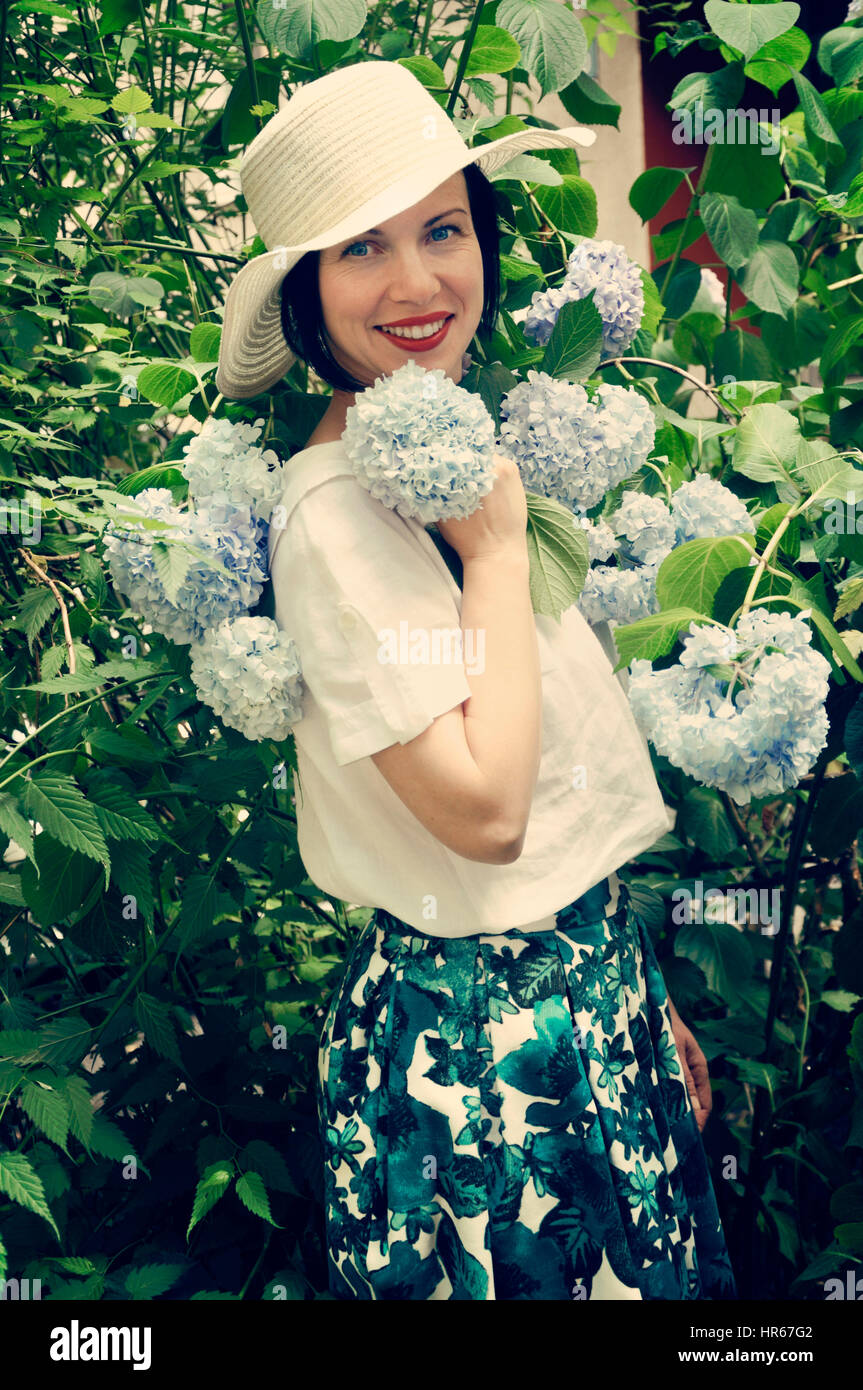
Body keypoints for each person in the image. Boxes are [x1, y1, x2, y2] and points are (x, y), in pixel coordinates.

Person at [215, 60, 738, 1302]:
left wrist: (630, 997)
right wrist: (498, 553)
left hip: (581, 1003)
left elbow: (544, 790)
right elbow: (484, 813)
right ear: (304, 292)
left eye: (442, 229)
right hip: (481, 1071)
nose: (416, 282)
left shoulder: (444, 449)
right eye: (359, 248)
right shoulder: (339, 519)